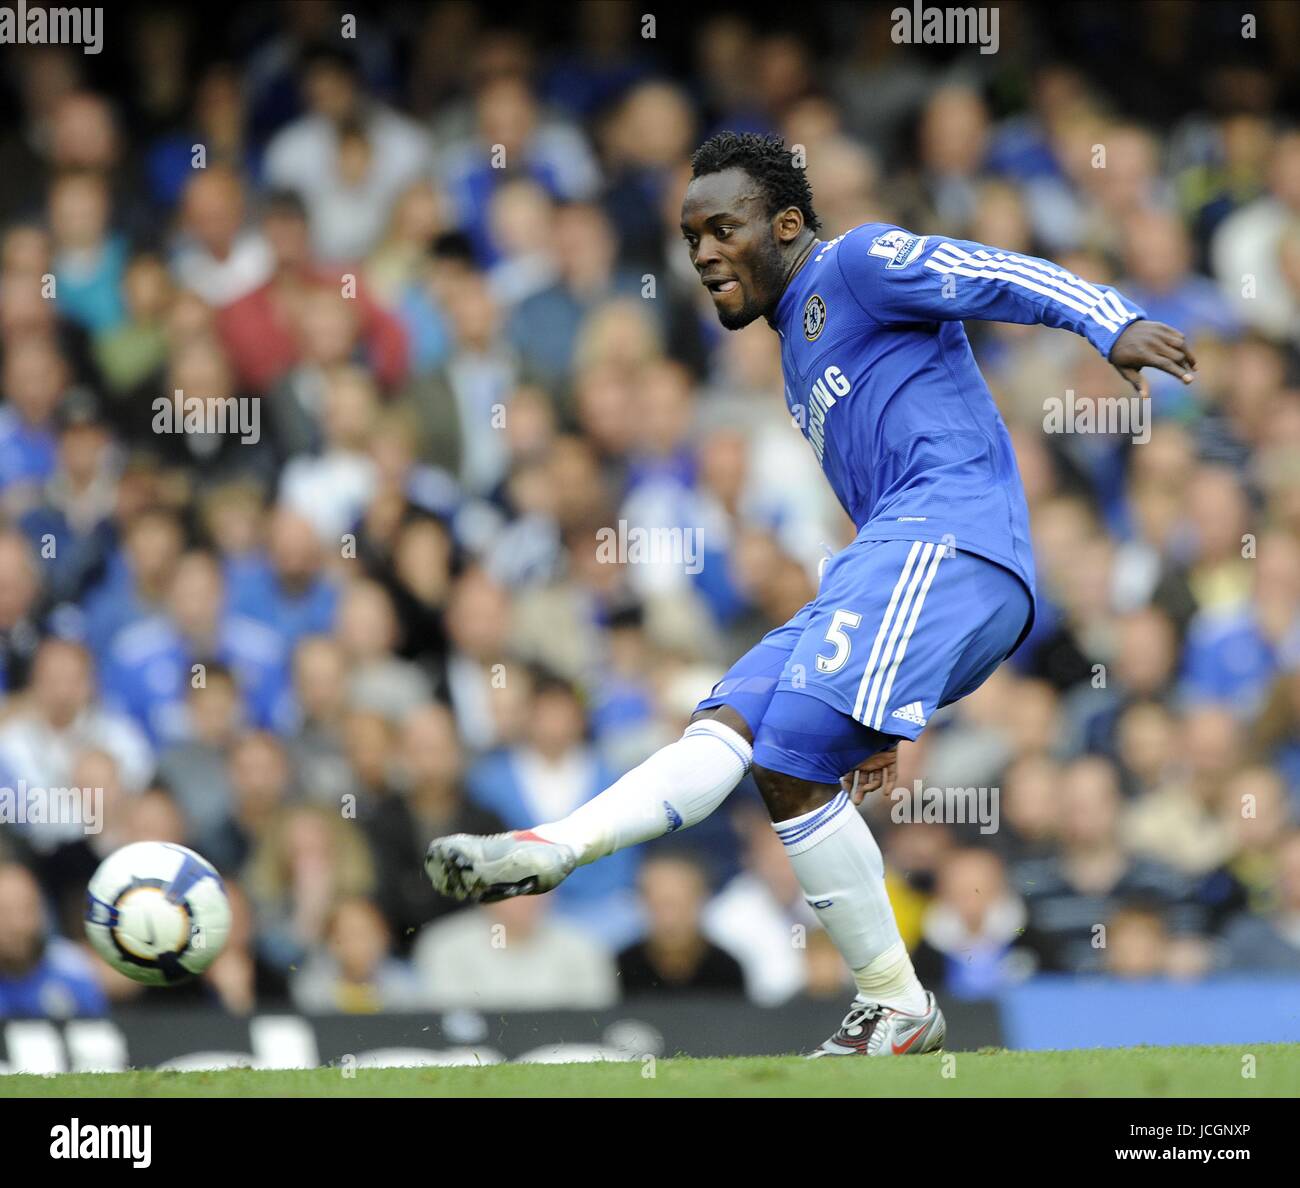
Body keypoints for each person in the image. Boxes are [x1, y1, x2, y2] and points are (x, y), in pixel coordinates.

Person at [425, 131, 1196, 1057]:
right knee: (732, 726)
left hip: (955, 544)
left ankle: (896, 1001)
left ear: (787, 224)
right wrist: (876, 704)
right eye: (690, 237)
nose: (705, 252)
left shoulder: (860, 261)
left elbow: (994, 270)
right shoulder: (795, 347)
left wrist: (1106, 318)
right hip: (893, 562)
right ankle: (554, 848)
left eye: (724, 227)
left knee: (791, 754)